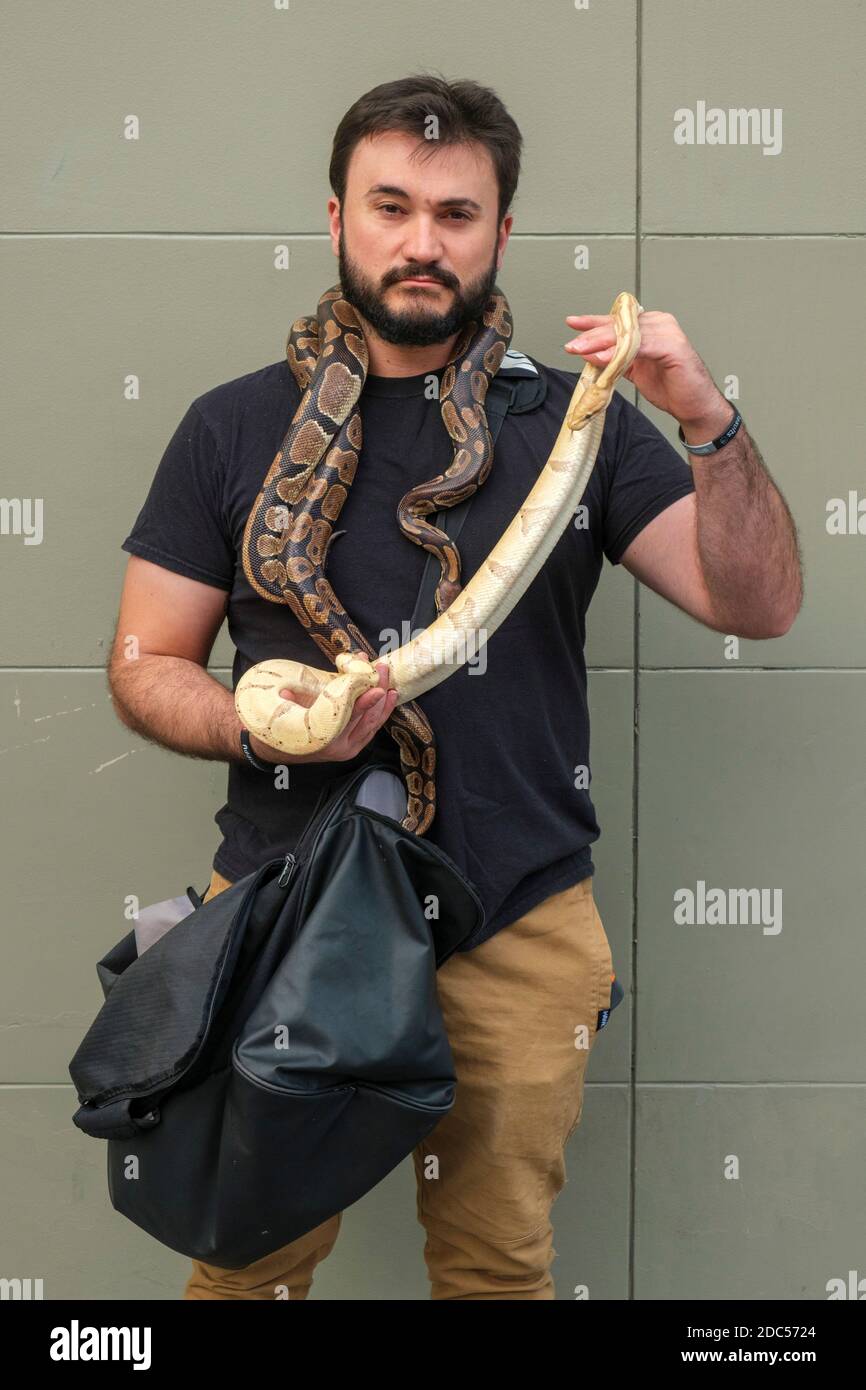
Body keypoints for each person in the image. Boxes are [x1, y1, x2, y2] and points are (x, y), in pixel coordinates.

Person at [107, 75, 803, 1300]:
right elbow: (144, 665)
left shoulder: (573, 420)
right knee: (246, 1261)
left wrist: (701, 416)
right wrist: (260, 720)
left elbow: (758, 604)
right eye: (391, 206)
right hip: (281, 907)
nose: (421, 241)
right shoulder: (231, 428)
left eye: (455, 213)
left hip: (515, 910)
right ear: (335, 216)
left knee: (495, 1269)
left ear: (499, 234)